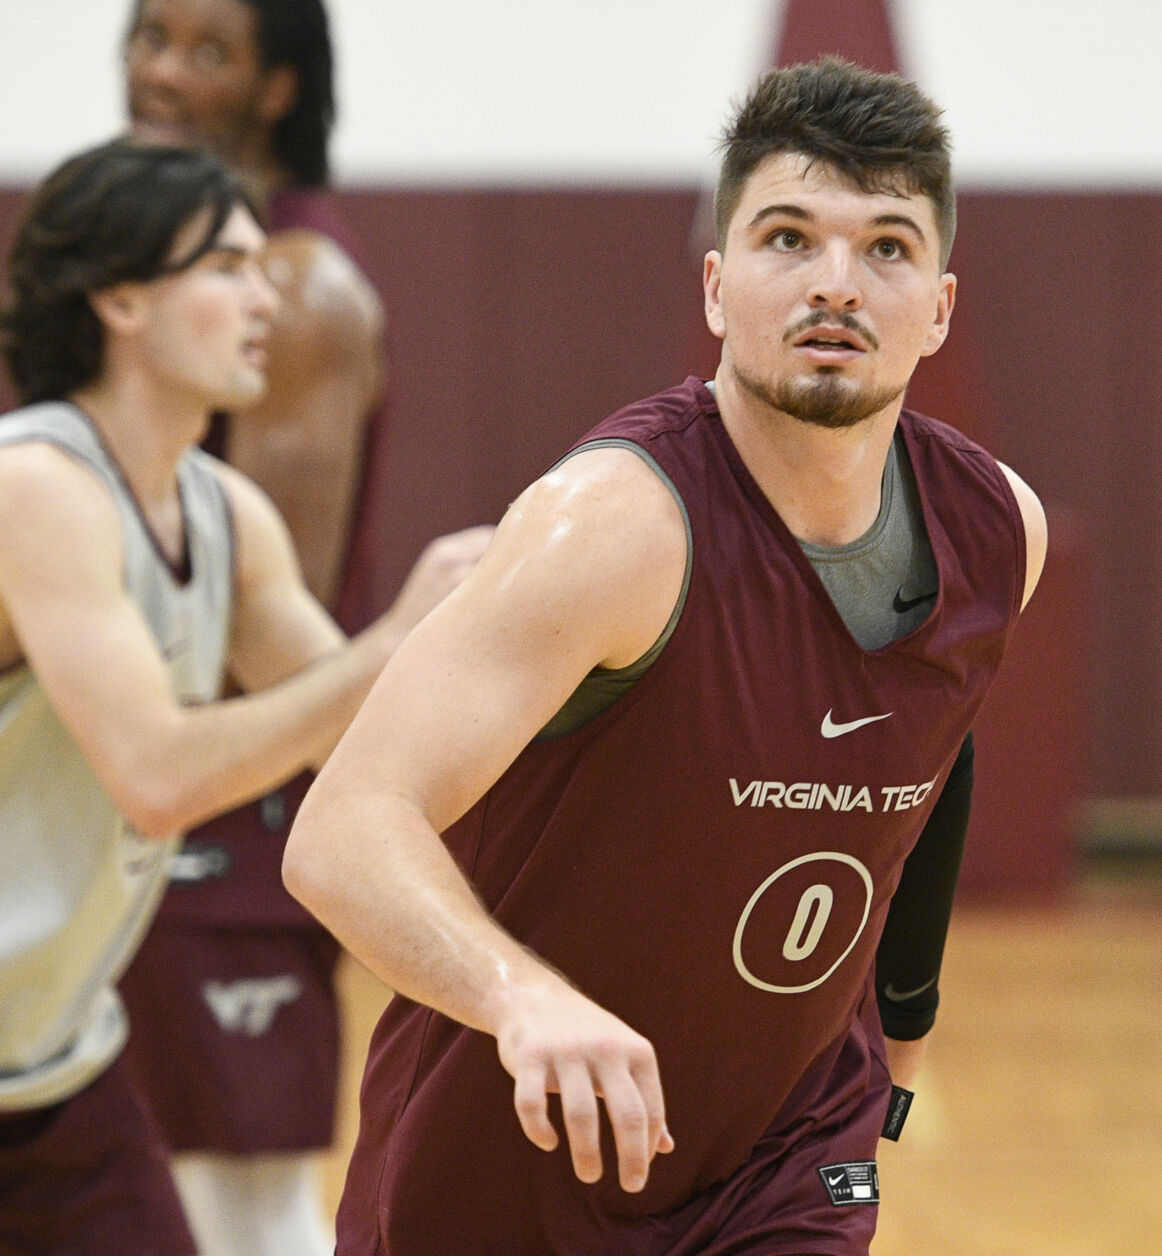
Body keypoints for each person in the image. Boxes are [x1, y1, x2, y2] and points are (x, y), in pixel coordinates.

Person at [283, 56, 1046, 1256]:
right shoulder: (615, 527)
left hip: (784, 1155)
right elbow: (342, 829)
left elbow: (932, 759)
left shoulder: (999, 527)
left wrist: (905, 1010)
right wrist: (517, 994)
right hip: (512, 1160)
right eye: (787, 237)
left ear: (939, 307)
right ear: (716, 285)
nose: (835, 283)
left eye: (887, 247)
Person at [0, 139, 487, 1256]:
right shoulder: (36, 486)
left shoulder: (224, 512)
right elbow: (161, 773)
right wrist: (395, 636)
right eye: (225, 266)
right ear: (120, 297)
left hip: (56, 1067)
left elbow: (369, 739)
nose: (266, 293)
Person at [114, 2, 396, 1251]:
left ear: (279, 87)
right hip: (133, 790)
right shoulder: (169, 269)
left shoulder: (296, 287)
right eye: (150, 34)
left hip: (237, 816)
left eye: (207, 49)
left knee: (240, 1209)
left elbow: (268, 611)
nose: (161, 69)